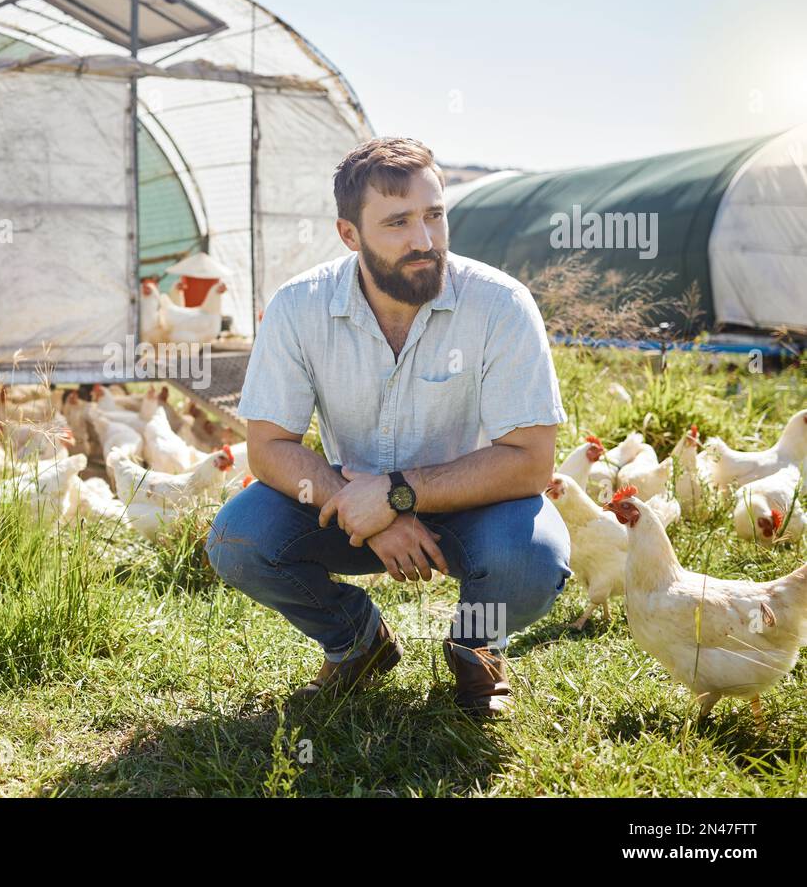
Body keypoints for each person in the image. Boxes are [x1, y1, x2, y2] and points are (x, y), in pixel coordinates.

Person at [205, 137, 572, 718]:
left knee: (533, 556)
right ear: (349, 235)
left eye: (434, 215)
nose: (424, 240)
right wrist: (363, 509)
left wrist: (397, 494)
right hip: (347, 506)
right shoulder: (299, 307)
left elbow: (530, 461)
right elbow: (268, 447)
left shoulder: (501, 305)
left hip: (478, 507)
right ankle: (357, 641)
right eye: (398, 222)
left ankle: (478, 647)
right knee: (238, 538)